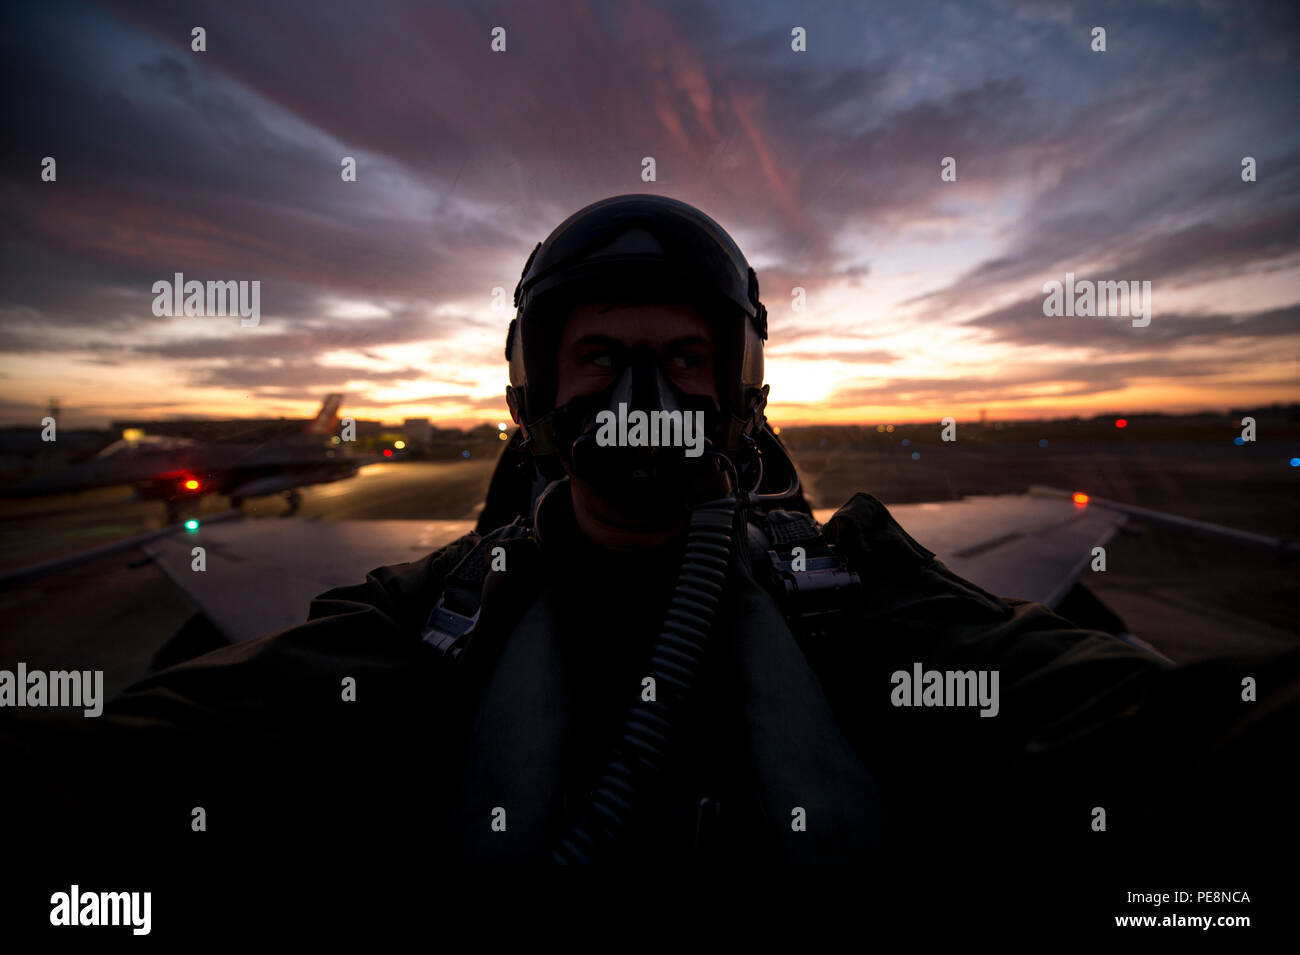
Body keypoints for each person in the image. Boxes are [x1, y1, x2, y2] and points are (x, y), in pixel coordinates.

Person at [8, 197, 1297, 889]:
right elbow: (193, 740)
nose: (644, 399)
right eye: (603, 359)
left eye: (683, 359)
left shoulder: (856, 591)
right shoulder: (444, 609)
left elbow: (1091, 707)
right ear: (537, 392)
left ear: (736, 389)